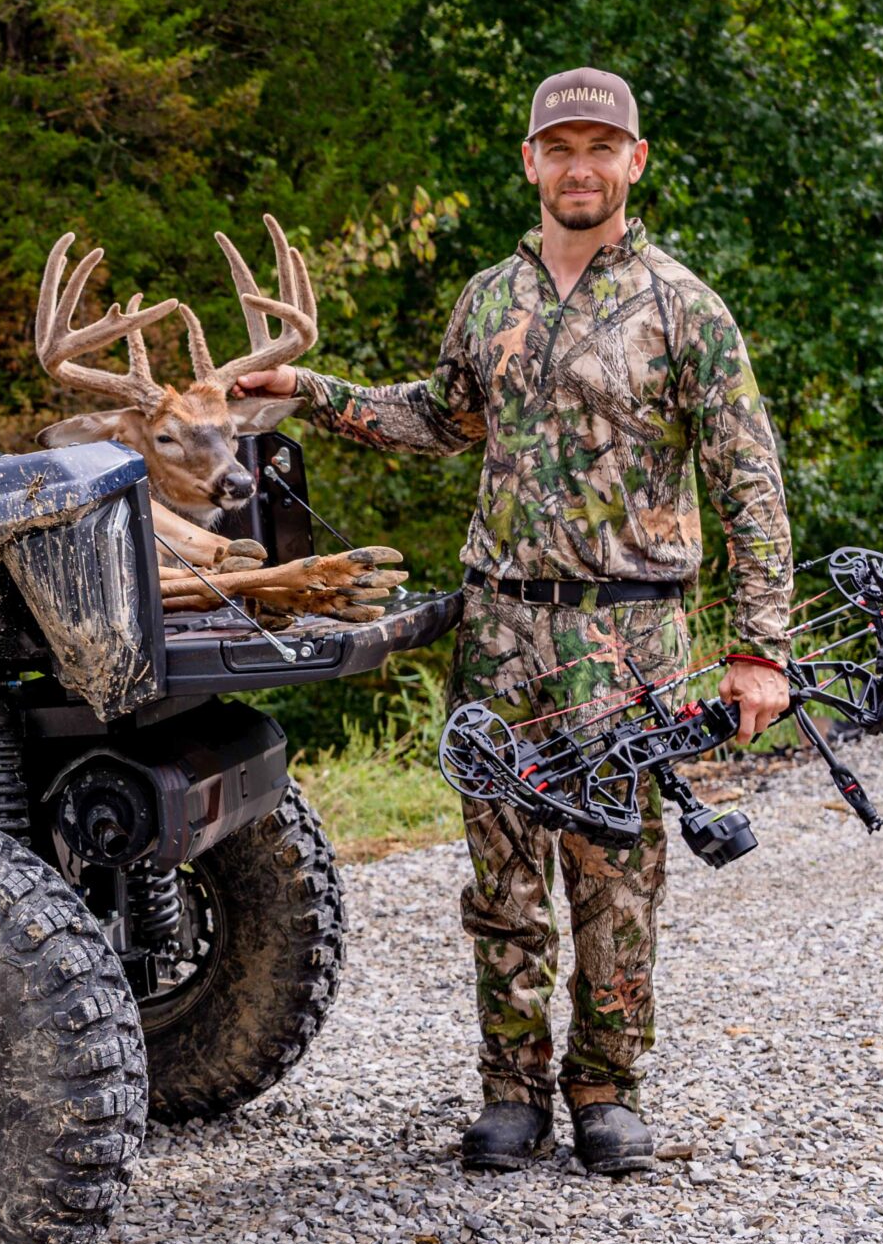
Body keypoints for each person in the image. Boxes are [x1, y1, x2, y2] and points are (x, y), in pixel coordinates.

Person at [232, 67, 793, 1176]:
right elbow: (438, 418)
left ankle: (607, 1091)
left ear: (633, 161)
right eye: (560, 148)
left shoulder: (685, 308)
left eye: (601, 147)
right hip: (499, 632)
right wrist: (309, 393)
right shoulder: (492, 297)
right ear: (530, 162)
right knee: (501, 880)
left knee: (616, 874)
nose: (580, 167)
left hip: (630, 640)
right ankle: (512, 1091)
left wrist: (759, 649)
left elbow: (750, 482)